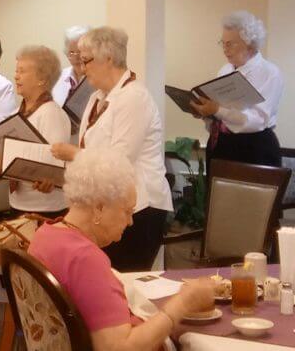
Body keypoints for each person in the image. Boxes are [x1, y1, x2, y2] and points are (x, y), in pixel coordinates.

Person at [29, 148, 215, 351]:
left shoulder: (44, 236)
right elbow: (119, 348)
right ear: (99, 207)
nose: (131, 221)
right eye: (127, 211)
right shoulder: (85, 258)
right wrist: (183, 304)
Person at [51, 27, 172, 272]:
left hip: (140, 207)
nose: (82, 68)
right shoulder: (97, 97)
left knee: (126, 278)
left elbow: (119, 160)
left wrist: (73, 154)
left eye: (86, 60)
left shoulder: (134, 97)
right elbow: (92, 145)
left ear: (108, 58)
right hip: (108, 205)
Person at [0, 45, 71, 217]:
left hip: (45, 209)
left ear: (42, 79)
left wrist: (5, 166)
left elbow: (52, 166)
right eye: (16, 70)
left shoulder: (51, 113)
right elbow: (15, 158)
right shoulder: (17, 113)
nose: (16, 76)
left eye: (22, 71)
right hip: (18, 203)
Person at [190, 10, 284, 171]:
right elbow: (219, 114)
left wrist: (217, 110)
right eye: (223, 43)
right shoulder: (225, 70)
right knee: (219, 195)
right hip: (221, 146)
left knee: (251, 195)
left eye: (230, 43)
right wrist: (206, 113)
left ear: (250, 44)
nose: (225, 49)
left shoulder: (270, 73)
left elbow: (258, 120)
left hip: (254, 149)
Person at [52, 25, 90, 106]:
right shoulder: (57, 78)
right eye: (71, 52)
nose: (76, 57)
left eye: (80, 51)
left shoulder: (99, 79)